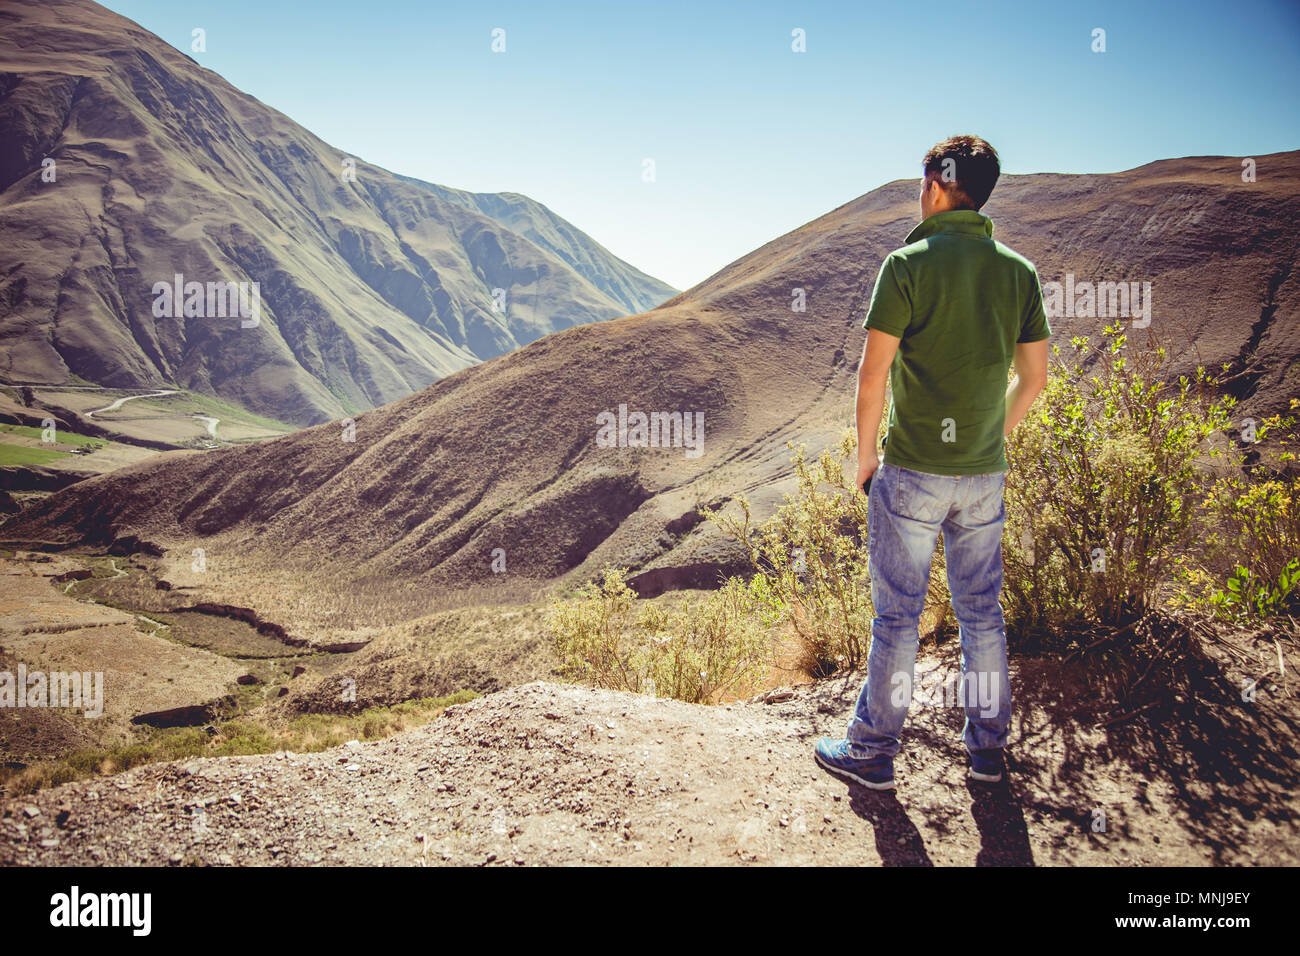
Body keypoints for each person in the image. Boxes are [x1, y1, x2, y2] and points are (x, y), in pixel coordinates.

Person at [814, 135, 1051, 790]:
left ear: (940, 184)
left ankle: (873, 755)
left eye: (923, 182)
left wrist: (866, 457)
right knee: (981, 612)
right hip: (983, 474)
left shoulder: (906, 264)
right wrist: (986, 436)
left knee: (898, 614)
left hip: (912, 469)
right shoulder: (1018, 272)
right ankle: (987, 754)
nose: (919, 194)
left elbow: (872, 379)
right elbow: (1034, 379)